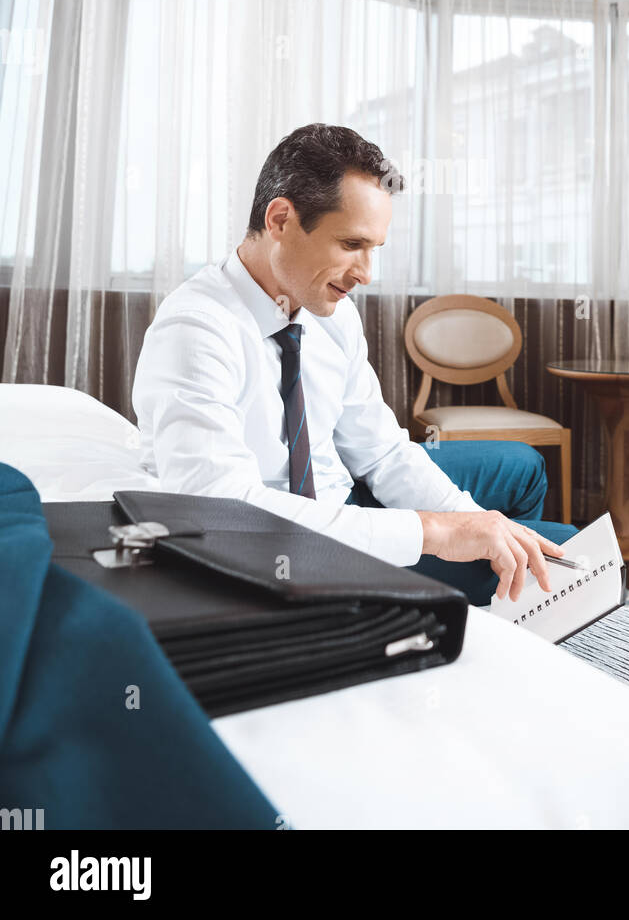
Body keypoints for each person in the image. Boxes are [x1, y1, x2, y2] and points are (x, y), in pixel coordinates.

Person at [133, 123, 577, 606]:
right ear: (280, 220)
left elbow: (381, 451)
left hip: (345, 491)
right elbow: (221, 511)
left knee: (524, 468)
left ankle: (503, 612)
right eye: (351, 245)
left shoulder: (330, 308)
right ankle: (496, 609)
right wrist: (435, 532)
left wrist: (474, 525)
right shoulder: (197, 329)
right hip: (290, 543)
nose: (365, 273)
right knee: (570, 549)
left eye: (374, 250)